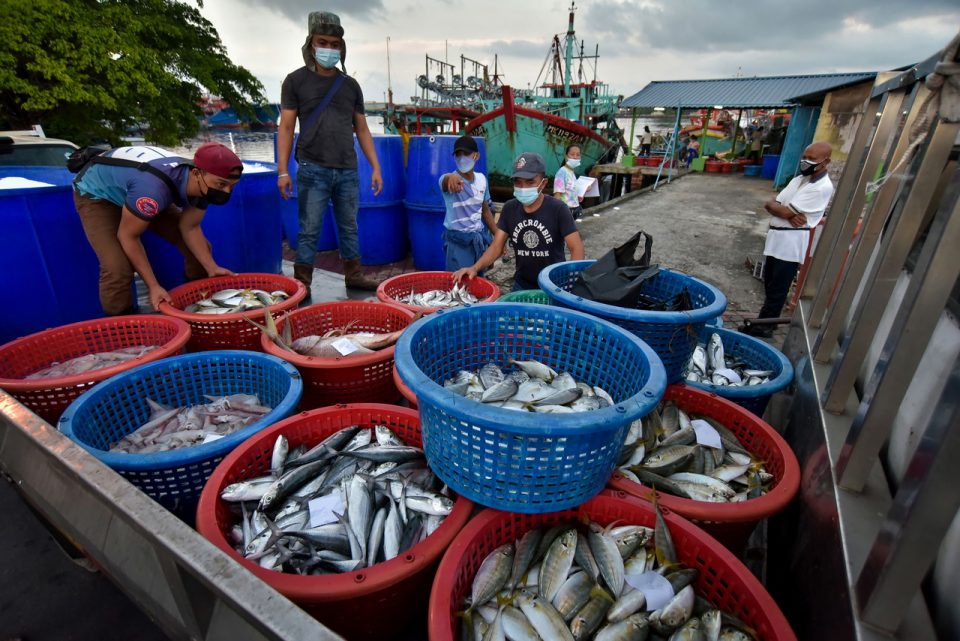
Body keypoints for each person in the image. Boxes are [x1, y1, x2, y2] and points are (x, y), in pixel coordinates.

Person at [277, 10, 382, 292]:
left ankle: (354, 275)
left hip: (348, 169)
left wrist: (376, 167)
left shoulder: (351, 86)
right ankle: (303, 281)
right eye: (323, 42)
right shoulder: (295, 81)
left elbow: (362, 129)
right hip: (312, 168)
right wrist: (283, 171)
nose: (329, 49)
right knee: (309, 228)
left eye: (335, 44)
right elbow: (286, 128)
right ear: (311, 44)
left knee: (349, 226)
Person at [72, 143, 242, 315]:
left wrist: (211, 267)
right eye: (221, 185)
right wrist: (153, 286)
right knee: (117, 268)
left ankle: (199, 305)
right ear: (196, 173)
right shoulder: (152, 191)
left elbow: (190, 227)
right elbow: (128, 236)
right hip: (98, 196)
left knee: (201, 250)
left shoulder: (205, 185)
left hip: (138, 187)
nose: (226, 191)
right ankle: (123, 323)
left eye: (232, 186)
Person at [453, 152, 584, 291]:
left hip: (554, 284)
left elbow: (577, 249)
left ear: (543, 183)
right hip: (522, 284)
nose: (523, 187)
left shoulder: (558, 209)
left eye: (530, 182)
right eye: (518, 182)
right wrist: (474, 268)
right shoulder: (510, 208)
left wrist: (569, 282)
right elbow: (496, 246)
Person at [745, 141, 834, 338]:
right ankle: (768, 321)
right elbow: (773, 204)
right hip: (777, 237)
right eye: (805, 156)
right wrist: (782, 210)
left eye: (812, 159)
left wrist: (784, 211)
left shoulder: (821, 187)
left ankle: (763, 327)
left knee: (779, 287)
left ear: (825, 162)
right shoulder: (799, 180)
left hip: (791, 241)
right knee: (769, 282)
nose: (806, 161)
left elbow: (783, 210)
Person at [439, 135, 497, 272]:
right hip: (458, 244)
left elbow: (485, 210)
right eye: (458, 155)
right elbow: (445, 181)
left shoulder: (482, 179)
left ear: (476, 156)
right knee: (459, 287)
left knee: (479, 282)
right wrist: (450, 177)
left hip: (478, 240)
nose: (462, 158)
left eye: (466, 153)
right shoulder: (452, 180)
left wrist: (497, 236)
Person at [552, 144, 584, 220]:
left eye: (578, 155)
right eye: (572, 154)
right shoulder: (562, 172)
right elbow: (557, 195)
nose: (575, 157)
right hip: (566, 211)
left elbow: (571, 193)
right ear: (566, 156)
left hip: (574, 210)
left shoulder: (572, 172)